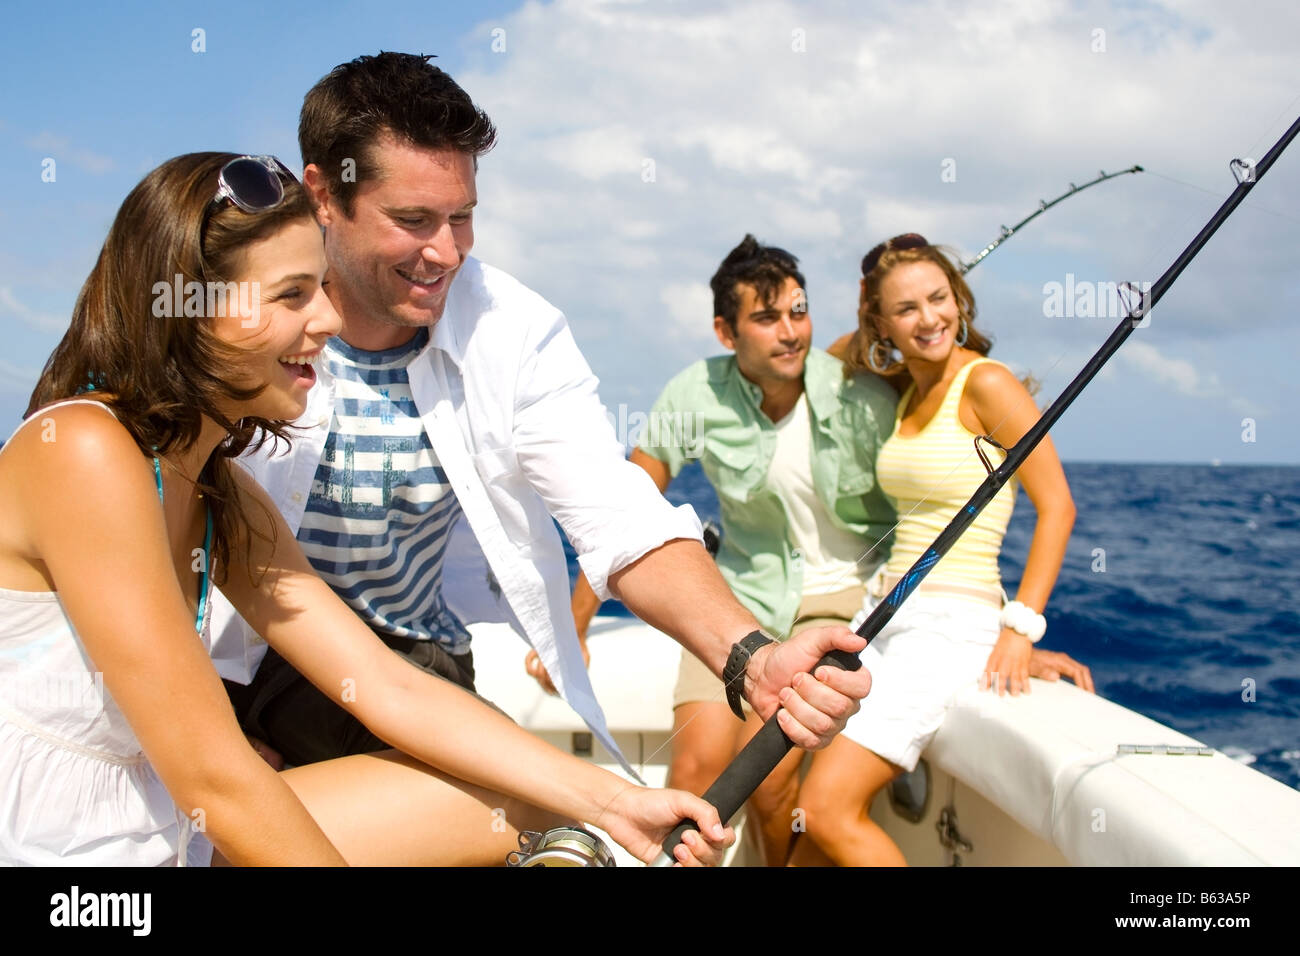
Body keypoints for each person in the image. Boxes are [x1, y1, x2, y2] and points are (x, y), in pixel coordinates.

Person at [0, 151, 735, 866]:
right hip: (50, 841)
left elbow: (387, 685)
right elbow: (216, 782)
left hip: (160, 822)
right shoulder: (87, 450)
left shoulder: (224, 495)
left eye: (320, 287)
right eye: (292, 295)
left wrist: (612, 804)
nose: (325, 319)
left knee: (532, 810)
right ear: (190, 310)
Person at [210, 53, 871, 774]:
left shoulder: (513, 327)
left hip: (416, 664)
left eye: (461, 218)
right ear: (323, 196)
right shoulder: (230, 313)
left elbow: (618, 515)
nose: (446, 252)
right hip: (240, 675)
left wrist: (749, 657)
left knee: (554, 841)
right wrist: (210, 733)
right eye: (412, 219)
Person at [562, 235, 897, 865]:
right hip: (740, 597)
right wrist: (570, 628)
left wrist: (1005, 622)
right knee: (693, 768)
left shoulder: (862, 394)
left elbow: (935, 495)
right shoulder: (696, 394)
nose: (790, 332)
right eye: (766, 318)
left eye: (798, 312)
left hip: (843, 604)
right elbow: (619, 508)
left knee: (772, 782)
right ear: (726, 331)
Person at [790, 233, 1094, 867]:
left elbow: (1058, 507)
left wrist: (1018, 630)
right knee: (800, 804)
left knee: (824, 809)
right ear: (880, 320)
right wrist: (871, 302)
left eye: (939, 298)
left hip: (949, 625)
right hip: (884, 616)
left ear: (961, 300)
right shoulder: (908, 388)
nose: (929, 319)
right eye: (907, 309)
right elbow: (833, 357)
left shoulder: (986, 383)